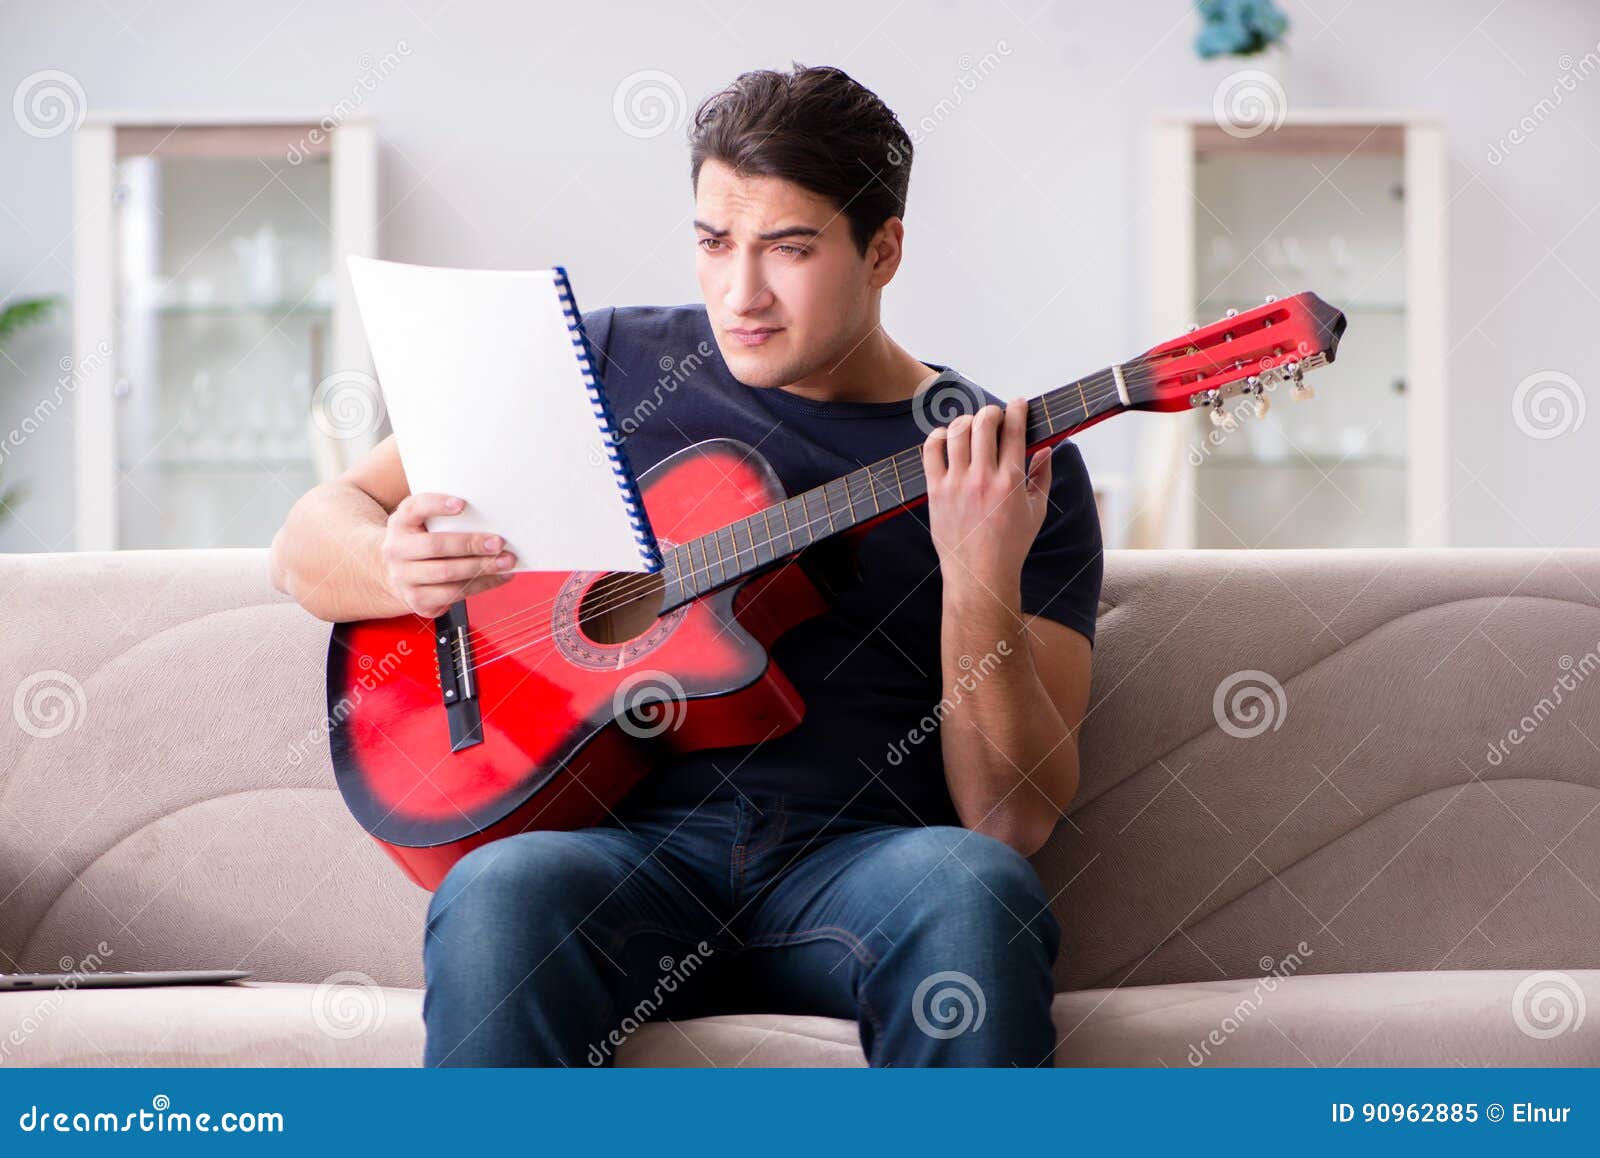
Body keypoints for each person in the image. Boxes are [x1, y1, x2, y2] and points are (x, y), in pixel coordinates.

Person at [269, 63, 1103, 1067]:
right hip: (618, 856)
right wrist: (390, 566)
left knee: (975, 891)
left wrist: (978, 574)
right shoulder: (605, 364)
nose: (739, 293)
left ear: (882, 251)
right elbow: (309, 538)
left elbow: (1009, 818)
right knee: (496, 892)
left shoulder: (1003, 464)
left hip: (862, 866)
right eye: (714, 243)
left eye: (788, 250)